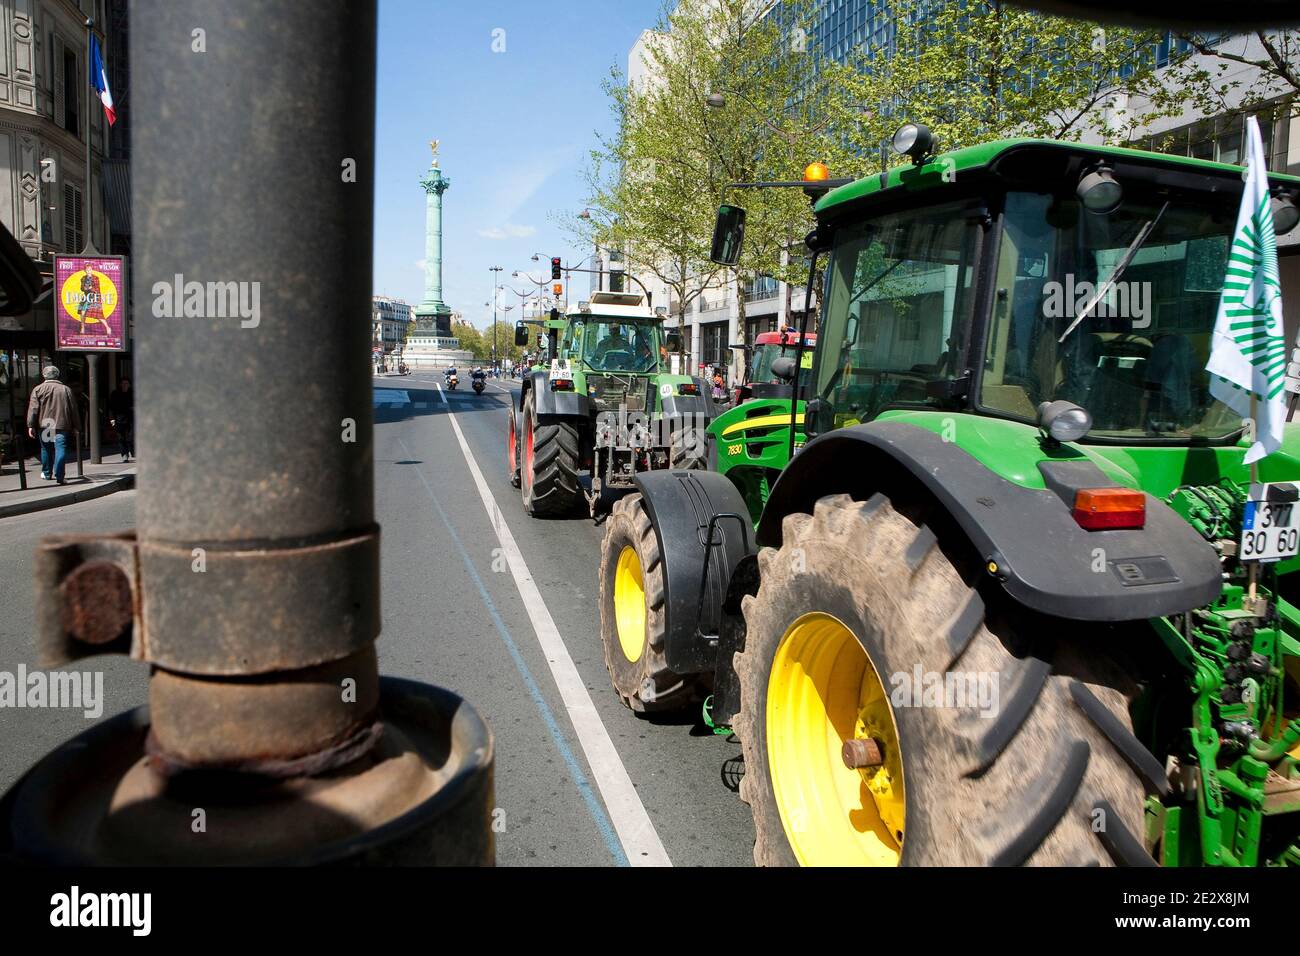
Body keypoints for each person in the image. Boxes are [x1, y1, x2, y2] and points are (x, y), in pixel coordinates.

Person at [25, 366, 81, 485]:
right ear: (57, 375)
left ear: (44, 375)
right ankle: (60, 476)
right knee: (60, 449)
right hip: (62, 424)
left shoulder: (38, 389)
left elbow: (33, 409)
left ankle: (46, 473)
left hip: (46, 424)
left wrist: (31, 425)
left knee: (46, 449)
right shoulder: (66, 389)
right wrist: (77, 426)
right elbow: (73, 410)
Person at [107, 376, 135, 462]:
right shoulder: (115, 394)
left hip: (132, 418)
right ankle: (124, 454)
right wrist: (112, 418)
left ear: (129, 385)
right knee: (121, 437)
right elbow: (111, 407)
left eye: (126, 383)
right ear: (120, 384)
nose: (125, 385)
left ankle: (133, 450)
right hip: (119, 418)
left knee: (131, 437)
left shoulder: (133, 393)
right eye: (123, 383)